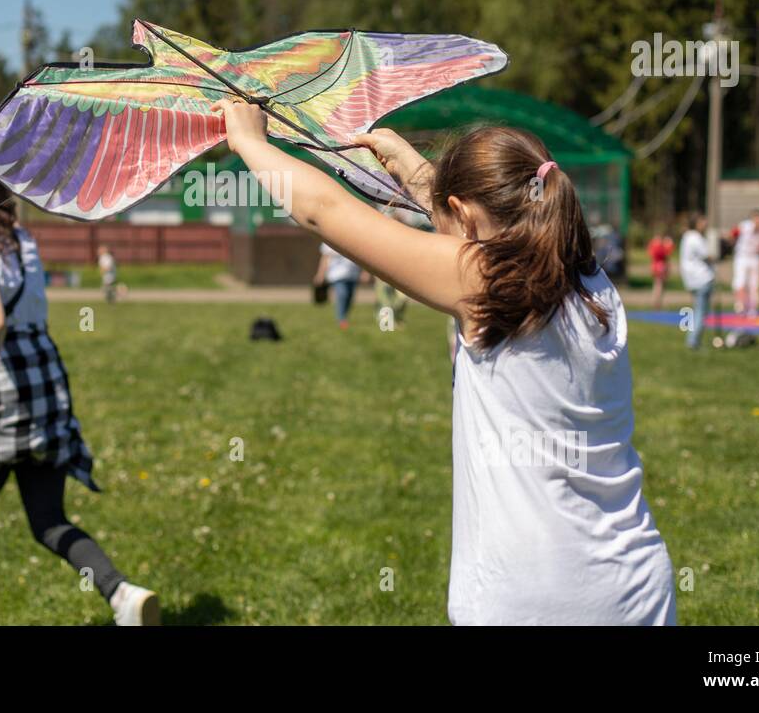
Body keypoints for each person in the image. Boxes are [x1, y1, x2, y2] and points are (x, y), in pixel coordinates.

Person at [215, 100, 675, 625]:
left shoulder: (487, 280)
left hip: (534, 602)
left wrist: (252, 143)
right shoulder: (589, 278)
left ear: (465, 214)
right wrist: (411, 168)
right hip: (638, 590)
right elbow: (479, 216)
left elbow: (327, 211)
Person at [0, 165, 157, 626]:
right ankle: (122, 594)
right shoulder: (22, 245)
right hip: (43, 382)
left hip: (0, 392)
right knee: (48, 520)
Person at [679, 213, 714, 350]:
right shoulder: (695, 238)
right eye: (702, 221)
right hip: (701, 278)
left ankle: (693, 339)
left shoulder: (687, 237)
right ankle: (693, 341)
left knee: (697, 310)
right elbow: (707, 256)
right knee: (701, 311)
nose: (705, 223)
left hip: (691, 279)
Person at [314, 242, 361, 329]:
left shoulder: (355, 237)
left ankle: (344, 315)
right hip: (336, 275)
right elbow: (325, 258)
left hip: (352, 274)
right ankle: (342, 319)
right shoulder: (329, 239)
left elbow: (362, 256)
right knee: (342, 294)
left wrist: (365, 272)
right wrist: (320, 274)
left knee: (349, 297)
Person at [731, 209, 759, 319]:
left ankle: (752, 310)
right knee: (740, 282)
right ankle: (740, 305)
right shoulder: (745, 226)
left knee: (754, 285)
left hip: (754, 257)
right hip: (742, 256)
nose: (758, 221)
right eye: (756, 218)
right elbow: (733, 233)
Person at [646, 227, 674, 309]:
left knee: (659, 284)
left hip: (658, 265)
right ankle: (656, 302)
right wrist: (666, 245)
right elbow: (664, 253)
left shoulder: (655, 243)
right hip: (659, 266)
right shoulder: (657, 244)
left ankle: (658, 302)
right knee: (659, 284)